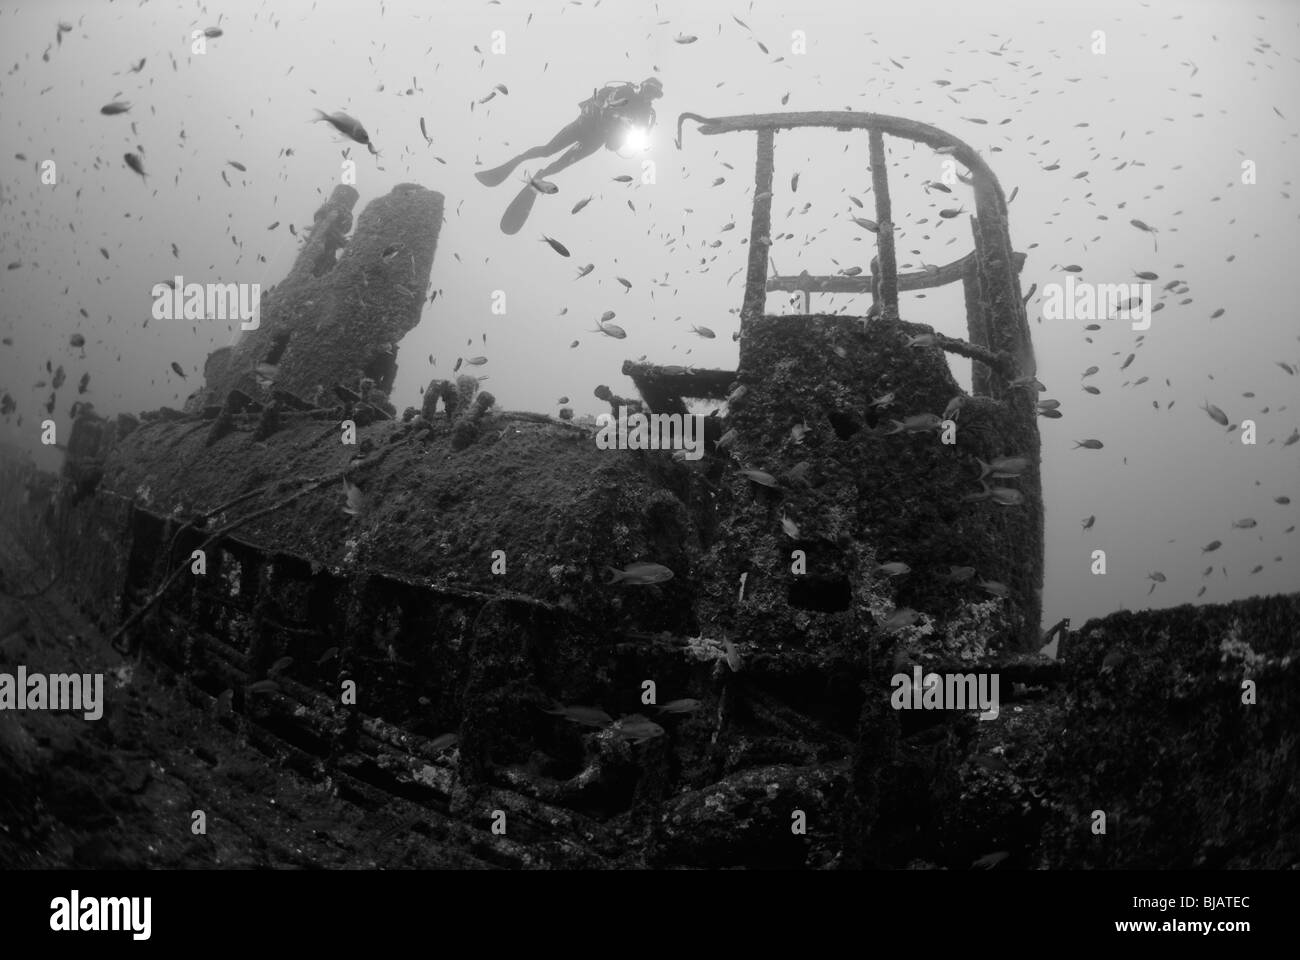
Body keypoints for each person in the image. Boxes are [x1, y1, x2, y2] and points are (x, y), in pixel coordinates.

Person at [476, 77, 663, 234]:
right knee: (547, 150)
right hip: (583, 125)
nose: (649, 95)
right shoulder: (625, 91)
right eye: (649, 89)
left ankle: (540, 178)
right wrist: (613, 115)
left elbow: (622, 142)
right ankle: (520, 159)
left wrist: (622, 131)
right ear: (642, 86)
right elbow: (602, 103)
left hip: (595, 141)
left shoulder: (646, 114)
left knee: (560, 165)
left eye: (654, 93)